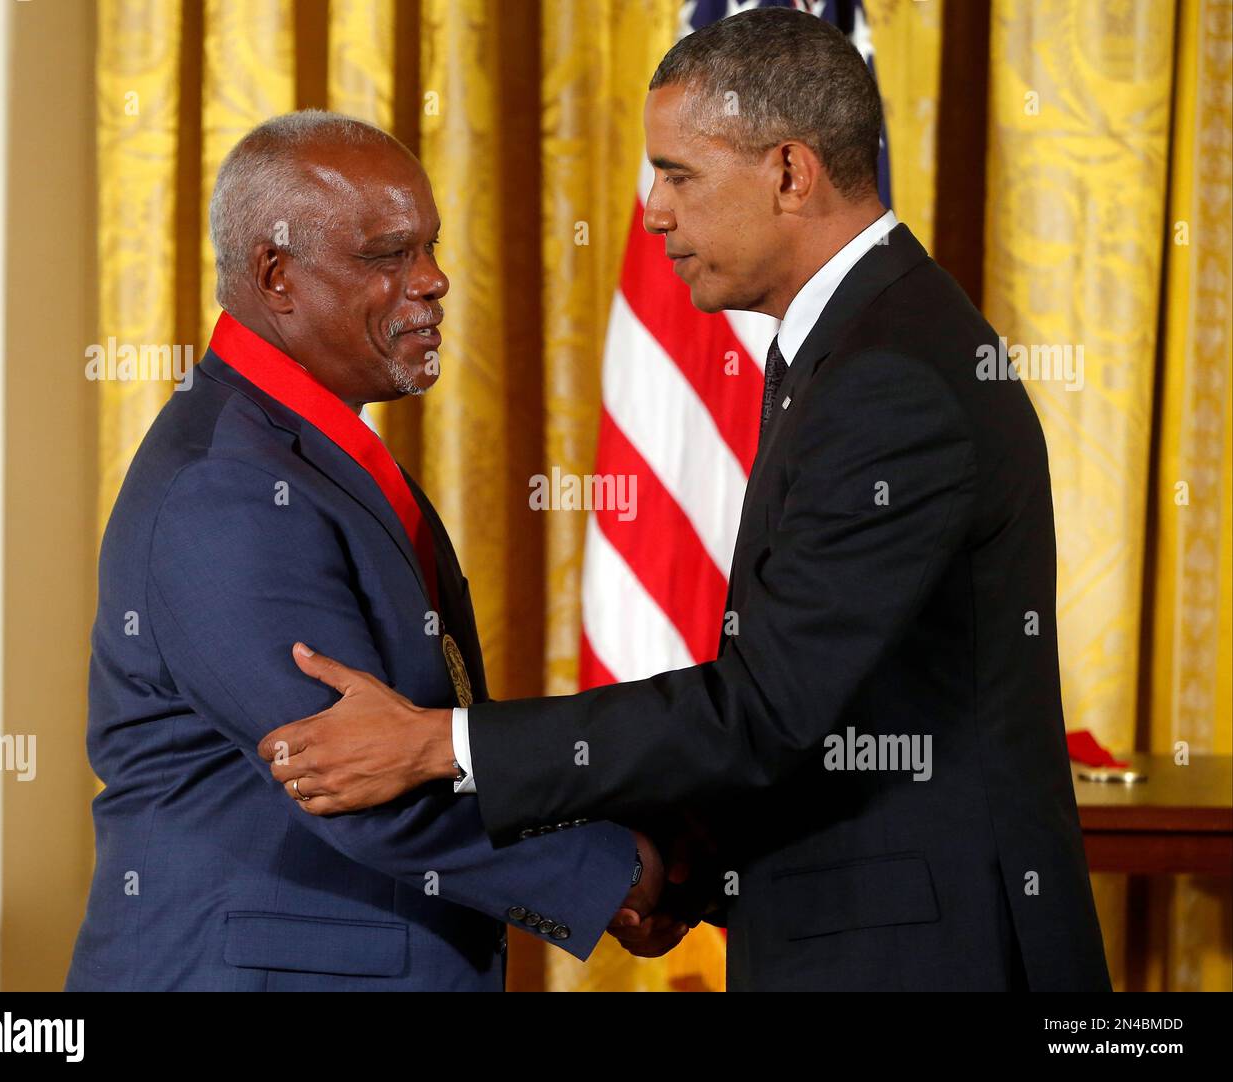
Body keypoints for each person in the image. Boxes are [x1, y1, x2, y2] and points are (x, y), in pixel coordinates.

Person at [258, 10, 1112, 991]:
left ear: (789, 172)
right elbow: (833, 701)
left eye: (678, 173)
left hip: (922, 954)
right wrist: (688, 862)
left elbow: (765, 709)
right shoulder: (857, 343)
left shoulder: (888, 374)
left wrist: (437, 743)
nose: (654, 210)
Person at [66, 111, 660, 992]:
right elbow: (350, 782)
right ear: (277, 276)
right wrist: (622, 870)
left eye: (430, 247)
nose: (433, 279)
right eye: (388, 255)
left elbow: (413, 737)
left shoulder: (303, 455)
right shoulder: (227, 490)